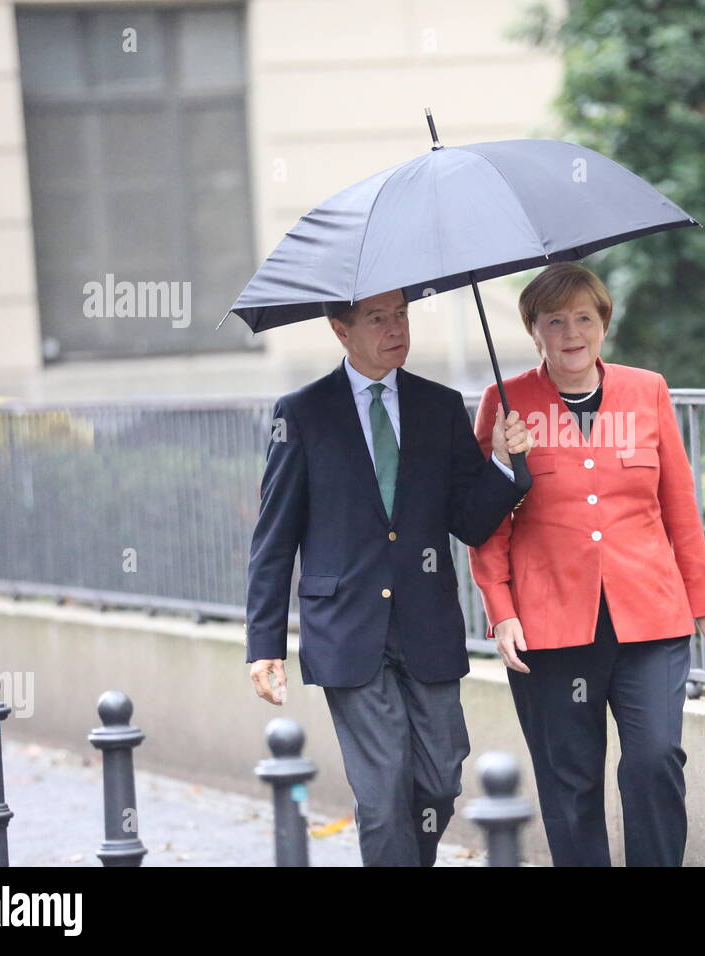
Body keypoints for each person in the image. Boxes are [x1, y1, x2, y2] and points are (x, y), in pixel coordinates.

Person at [245, 288, 532, 867]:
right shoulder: (301, 413)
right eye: (377, 319)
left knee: (437, 781)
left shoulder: (439, 405)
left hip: (427, 624)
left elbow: (471, 523)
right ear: (340, 330)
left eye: (401, 316)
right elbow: (274, 537)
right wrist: (264, 644)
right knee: (380, 795)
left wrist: (506, 463)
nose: (395, 329)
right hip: (346, 628)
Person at [468, 262, 705, 866]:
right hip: (551, 626)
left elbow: (678, 506)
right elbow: (487, 525)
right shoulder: (504, 405)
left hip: (650, 618)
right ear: (534, 331)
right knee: (570, 781)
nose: (571, 332)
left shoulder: (647, 391)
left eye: (584, 317)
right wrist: (500, 610)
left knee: (655, 758)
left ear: (603, 322)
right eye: (554, 320)